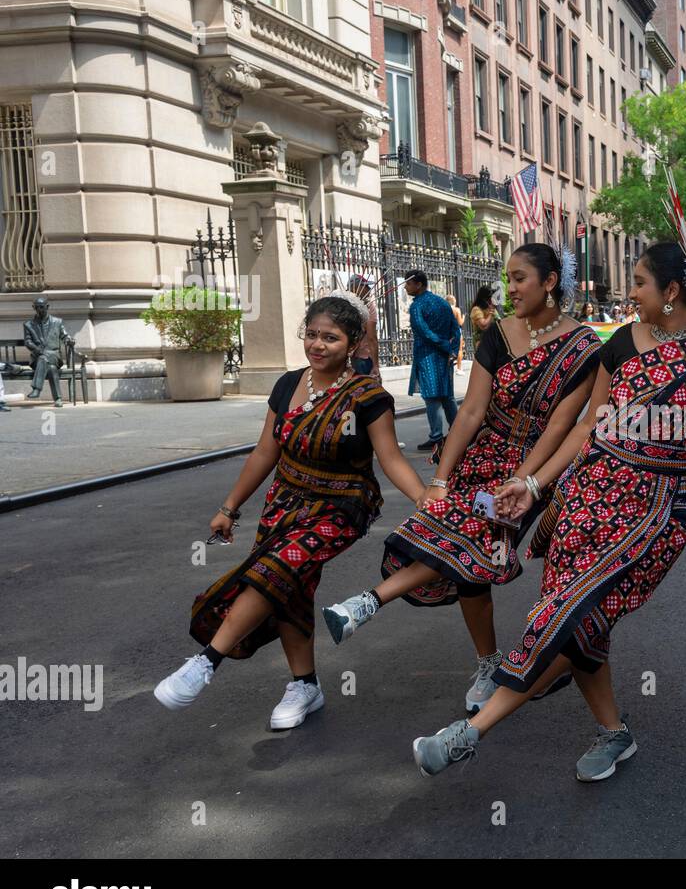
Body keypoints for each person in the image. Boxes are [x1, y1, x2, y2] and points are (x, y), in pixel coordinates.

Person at [410, 241, 686, 782]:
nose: (630, 293)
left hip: (665, 507)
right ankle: (614, 733)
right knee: (576, 614)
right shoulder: (618, 347)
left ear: (672, 291)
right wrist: (534, 484)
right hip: (590, 494)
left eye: (638, 282)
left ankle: (470, 733)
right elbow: (589, 426)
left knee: (574, 613)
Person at [323, 245, 600, 711]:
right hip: (480, 453)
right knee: (466, 564)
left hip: (532, 465)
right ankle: (488, 663)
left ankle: (369, 603)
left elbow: (560, 427)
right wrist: (441, 477)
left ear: (550, 282)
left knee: (474, 538)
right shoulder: (498, 334)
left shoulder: (586, 347)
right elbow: (471, 410)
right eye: (507, 278)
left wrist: (524, 482)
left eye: (519, 278)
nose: (508, 289)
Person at [153, 294, 430, 728]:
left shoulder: (368, 397)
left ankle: (206, 662)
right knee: (290, 591)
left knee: (277, 569)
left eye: (331, 338)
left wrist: (422, 497)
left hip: (341, 505)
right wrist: (229, 507)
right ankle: (305, 686)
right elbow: (265, 451)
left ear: (354, 342)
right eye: (313, 335)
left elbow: (391, 457)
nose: (318, 345)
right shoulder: (286, 385)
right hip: (285, 500)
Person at [406, 270, 461, 453]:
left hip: (428, 356)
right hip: (445, 357)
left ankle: (436, 437)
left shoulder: (416, 307)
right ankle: (458, 433)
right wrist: (452, 350)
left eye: (409, 283)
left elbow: (424, 332)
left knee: (432, 398)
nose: (406, 287)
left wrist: (445, 347)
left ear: (418, 284)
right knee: (447, 396)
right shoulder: (442, 303)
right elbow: (456, 329)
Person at [23, 297, 73, 407]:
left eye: (42, 307)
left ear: (47, 307)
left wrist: (69, 340)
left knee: (44, 358)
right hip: (38, 358)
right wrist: (36, 349)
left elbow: (65, 336)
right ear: (33, 308)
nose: (39, 310)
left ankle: (36, 389)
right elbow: (27, 341)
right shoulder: (28, 325)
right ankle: (58, 398)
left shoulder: (57, 322)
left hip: (54, 356)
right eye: (37, 307)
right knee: (51, 368)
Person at [346, 274, 380, 377]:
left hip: (350, 356)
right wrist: (376, 365)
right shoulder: (368, 306)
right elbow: (372, 338)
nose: (369, 290)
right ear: (356, 287)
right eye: (366, 286)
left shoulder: (344, 305)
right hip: (364, 357)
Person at [446, 293, 466, 373]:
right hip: (456, 332)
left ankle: (447, 368)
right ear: (454, 301)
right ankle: (459, 368)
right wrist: (463, 318)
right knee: (459, 350)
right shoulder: (457, 310)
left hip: (447, 332)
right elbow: (460, 323)